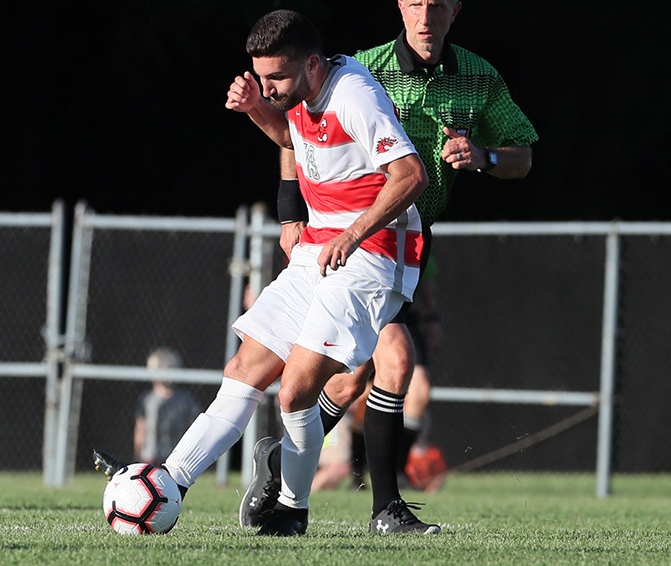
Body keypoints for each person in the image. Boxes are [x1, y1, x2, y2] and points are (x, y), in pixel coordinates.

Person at [95, 9, 428, 537]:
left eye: (276, 78)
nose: (268, 87)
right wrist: (256, 109)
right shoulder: (294, 95)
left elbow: (412, 175)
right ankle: (170, 483)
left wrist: (352, 233)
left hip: (372, 255)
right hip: (320, 249)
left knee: (295, 391)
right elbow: (295, 142)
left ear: (313, 64)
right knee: (245, 368)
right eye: (260, 77)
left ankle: (293, 510)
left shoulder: (353, 95)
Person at [240, 0, 538, 534]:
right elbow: (296, 130)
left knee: (357, 379)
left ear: (455, 10)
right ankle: (384, 511)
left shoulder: (478, 77)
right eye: (415, 3)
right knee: (395, 363)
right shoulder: (361, 68)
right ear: (400, 7)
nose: (426, 17)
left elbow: (523, 155)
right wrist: (290, 213)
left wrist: (486, 157)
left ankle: (284, 466)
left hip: (411, 241)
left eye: (437, 5)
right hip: (356, 240)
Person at [132, 348, 200, 465]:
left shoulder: (185, 400)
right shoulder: (148, 400)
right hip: (151, 456)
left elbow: (194, 427)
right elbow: (140, 428)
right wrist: (138, 454)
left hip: (176, 458)